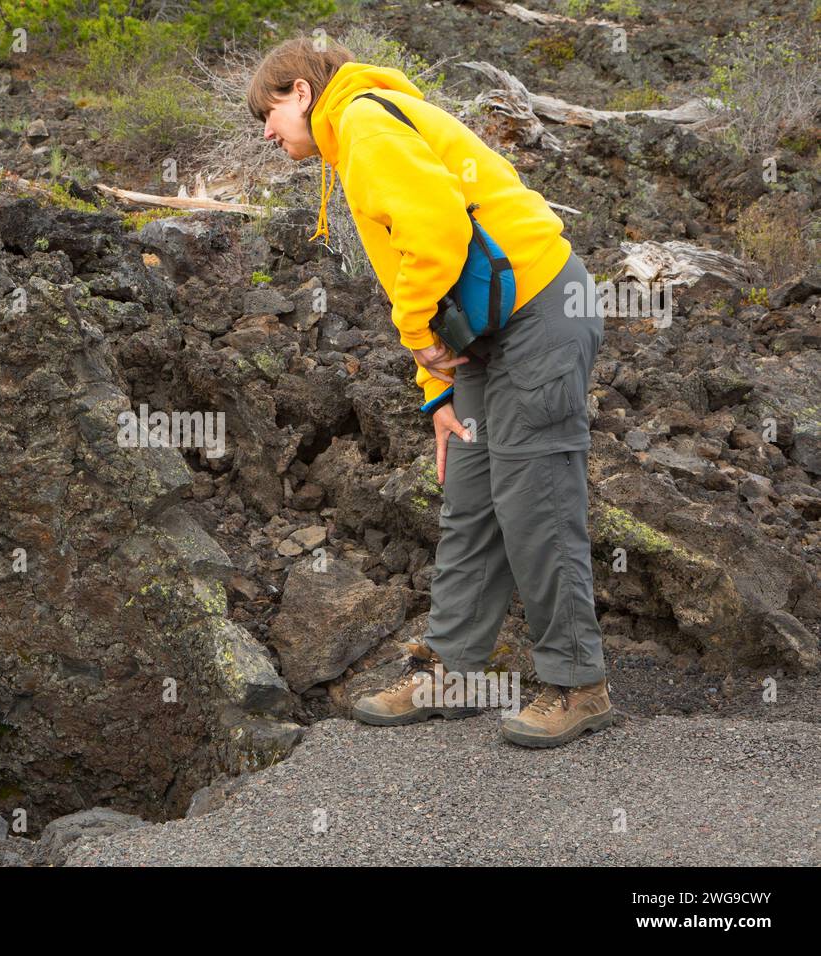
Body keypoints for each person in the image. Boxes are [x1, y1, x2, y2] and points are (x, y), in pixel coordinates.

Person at [249, 37, 612, 748]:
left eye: (267, 113)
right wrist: (437, 395)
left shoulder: (361, 121)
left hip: (539, 311)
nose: (266, 133)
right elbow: (411, 270)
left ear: (299, 91)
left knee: (535, 495)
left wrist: (418, 334)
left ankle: (578, 683)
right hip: (487, 330)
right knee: (473, 492)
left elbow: (437, 233)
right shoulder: (357, 132)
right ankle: (453, 670)